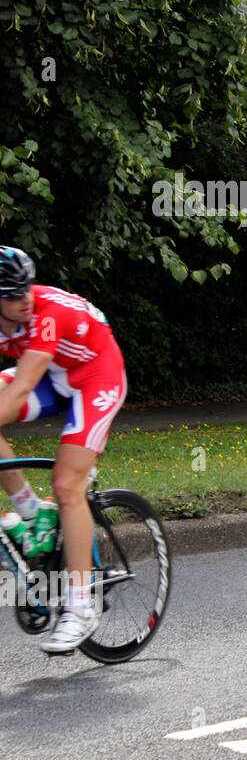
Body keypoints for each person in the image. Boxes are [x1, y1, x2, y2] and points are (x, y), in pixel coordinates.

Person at [0, 247, 128, 652]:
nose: (26, 299)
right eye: (13, 294)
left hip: (96, 377)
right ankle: (30, 513)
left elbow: (21, 386)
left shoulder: (46, 313)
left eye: (26, 287)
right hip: (55, 378)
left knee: (67, 485)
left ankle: (80, 604)